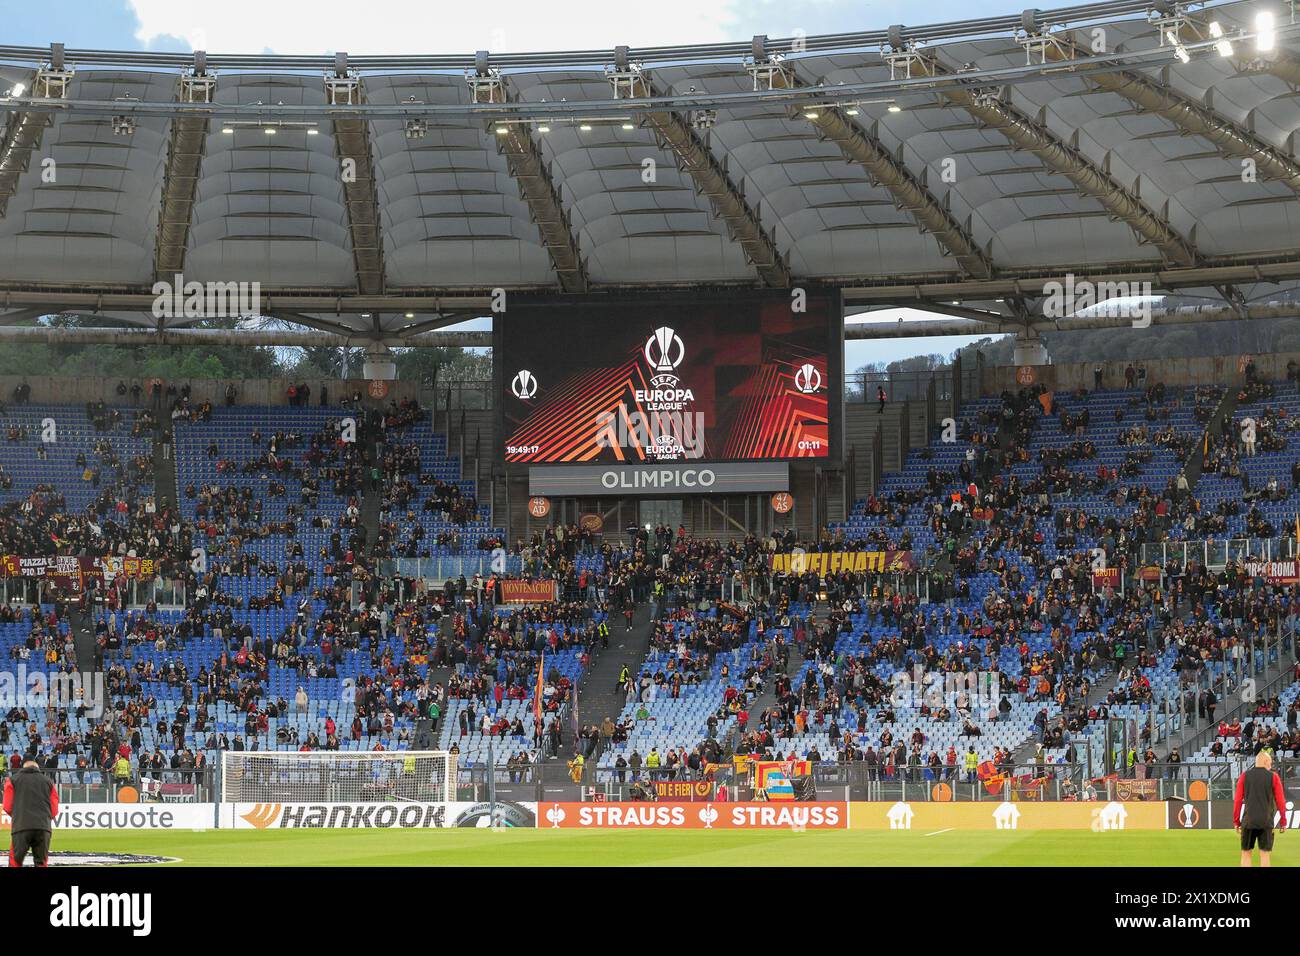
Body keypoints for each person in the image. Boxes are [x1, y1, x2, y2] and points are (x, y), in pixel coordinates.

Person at [1234, 750, 1287, 867]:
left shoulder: (1244, 776)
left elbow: (1237, 800)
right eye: (1270, 763)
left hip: (1248, 821)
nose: (1271, 765)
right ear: (1266, 761)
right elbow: (1280, 801)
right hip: (1266, 822)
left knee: (1246, 854)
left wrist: (1236, 821)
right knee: (1265, 855)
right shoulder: (1274, 777)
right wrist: (1283, 821)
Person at [3, 757, 59, 867]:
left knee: (15, 862)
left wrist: (18, 815)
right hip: (43, 827)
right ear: (37, 767)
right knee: (41, 863)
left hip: (21, 827)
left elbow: (7, 806)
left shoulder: (13, 780)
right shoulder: (48, 782)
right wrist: (45, 818)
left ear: (23, 767)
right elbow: (54, 809)